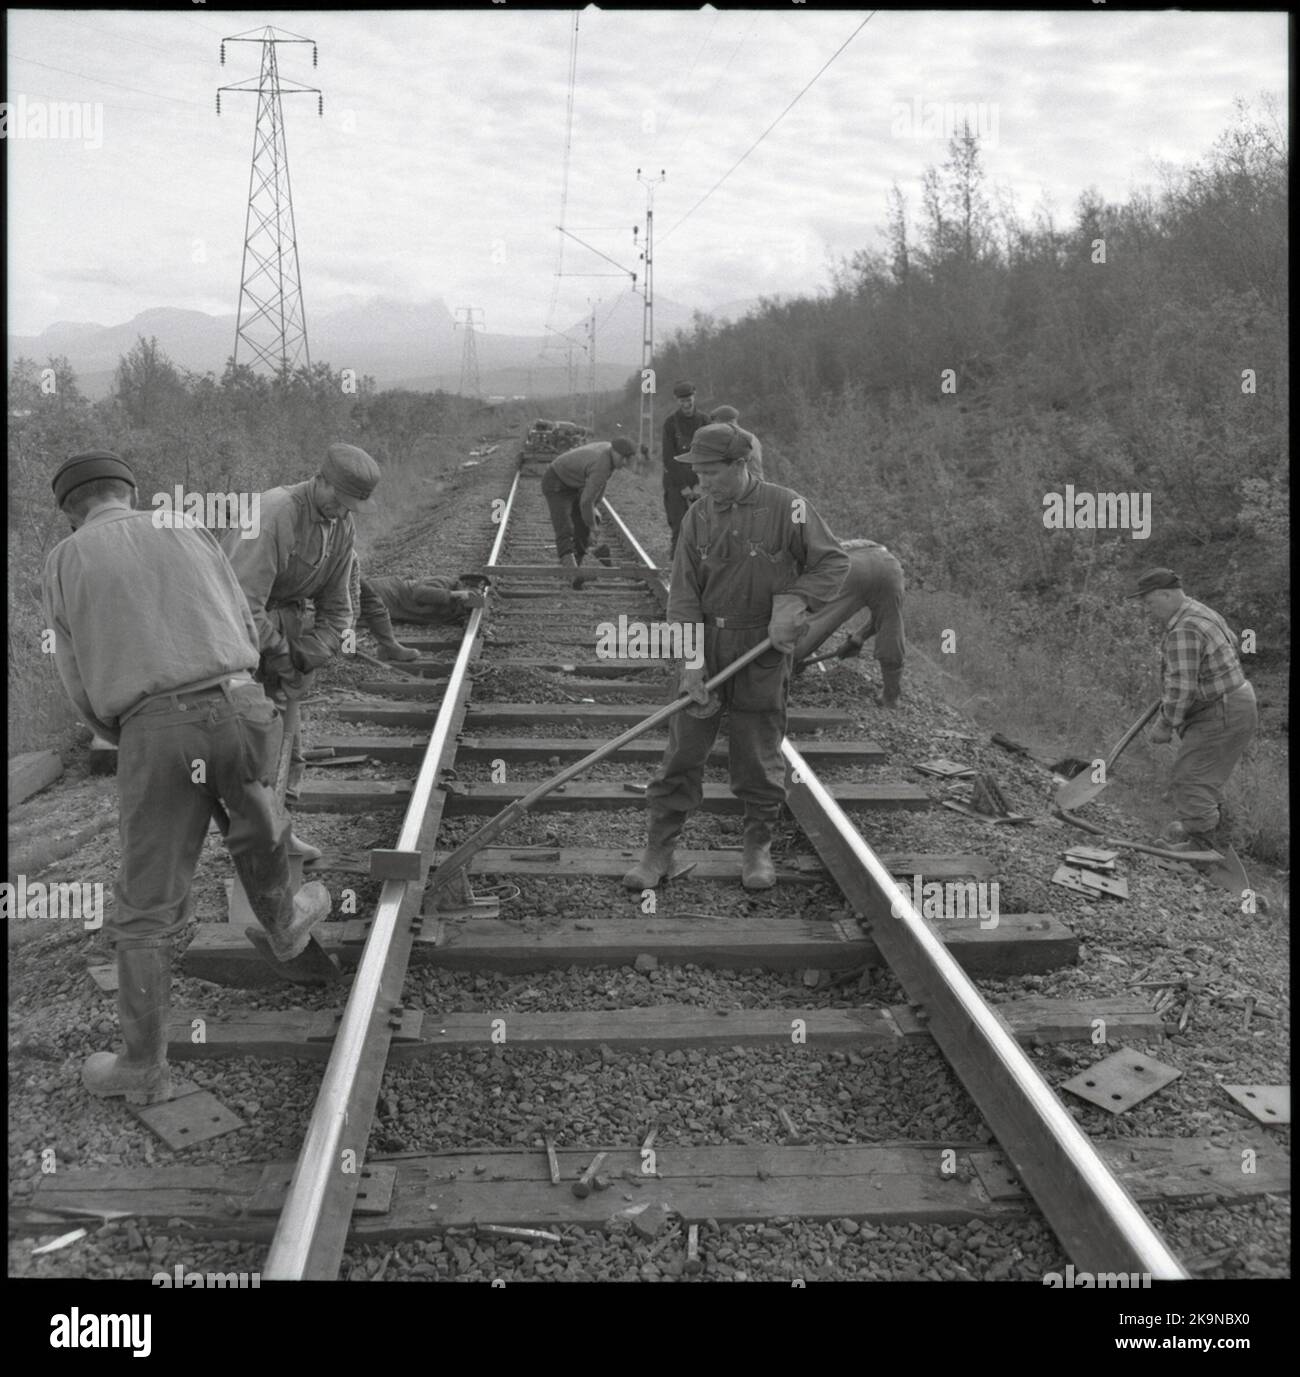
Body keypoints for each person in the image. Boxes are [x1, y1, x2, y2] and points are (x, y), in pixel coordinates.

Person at [41, 452, 332, 1105]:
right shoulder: (184, 525)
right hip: (242, 701)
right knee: (254, 821)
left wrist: (132, 732)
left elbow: (75, 676)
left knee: (146, 904)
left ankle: (142, 1068)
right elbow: (241, 617)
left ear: (70, 511)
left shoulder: (66, 560)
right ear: (132, 491)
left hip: (155, 723)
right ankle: (285, 922)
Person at [623, 423, 849, 891]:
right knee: (683, 751)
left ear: (740, 465)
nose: (702, 482)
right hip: (706, 643)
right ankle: (659, 849)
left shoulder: (788, 507)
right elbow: (683, 596)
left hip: (762, 651)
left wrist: (797, 600)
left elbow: (834, 562)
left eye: (711, 472)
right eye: (698, 472)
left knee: (757, 753)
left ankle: (757, 847)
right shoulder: (697, 517)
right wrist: (690, 661)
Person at [222, 443, 381, 862]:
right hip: (234, 641)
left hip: (284, 637)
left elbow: (339, 605)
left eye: (350, 506)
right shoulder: (275, 513)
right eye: (338, 499)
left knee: (289, 741)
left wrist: (314, 652)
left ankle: (280, 830)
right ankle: (251, 842)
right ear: (320, 479)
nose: (341, 511)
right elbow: (241, 604)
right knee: (249, 740)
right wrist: (282, 656)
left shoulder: (341, 525)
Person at [1128, 567, 1257, 852]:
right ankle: (1214, 836)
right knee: (1205, 775)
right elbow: (1233, 643)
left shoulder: (1184, 628)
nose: (1149, 609)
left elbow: (1182, 686)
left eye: (1150, 602)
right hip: (1236, 700)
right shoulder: (1200, 611)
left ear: (1166, 594)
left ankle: (1200, 849)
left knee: (1190, 775)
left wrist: (1165, 724)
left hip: (1221, 709)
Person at [792, 538, 906, 706]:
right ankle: (891, 696)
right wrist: (858, 638)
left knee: (820, 622)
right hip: (891, 568)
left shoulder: (821, 557)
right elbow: (880, 617)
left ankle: (782, 671)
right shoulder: (859, 548)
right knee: (891, 627)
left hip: (853, 566)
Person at [540, 436, 636, 588]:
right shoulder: (601, 464)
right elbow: (586, 501)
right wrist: (593, 526)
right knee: (565, 527)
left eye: (628, 459)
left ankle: (575, 568)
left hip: (572, 483)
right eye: (623, 458)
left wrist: (592, 517)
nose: (624, 463)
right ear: (615, 452)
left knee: (584, 522)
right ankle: (572, 573)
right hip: (556, 481)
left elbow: (597, 489)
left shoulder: (609, 454)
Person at [347, 558, 486, 662]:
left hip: (394, 608)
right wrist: (454, 594)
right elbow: (419, 593)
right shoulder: (445, 582)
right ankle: (347, 650)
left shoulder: (457, 605)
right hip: (388, 592)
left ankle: (383, 649)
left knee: (358, 617)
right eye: (470, 592)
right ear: (463, 585)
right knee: (347, 609)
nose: (469, 597)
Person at [662, 381, 710, 557]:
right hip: (676, 482)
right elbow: (668, 458)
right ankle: (676, 563)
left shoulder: (705, 421)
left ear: (694, 396)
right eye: (682, 401)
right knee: (678, 525)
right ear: (677, 401)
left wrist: (700, 484)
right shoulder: (670, 423)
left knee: (703, 525)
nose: (686, 404)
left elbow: (708, 455)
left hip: (701, 481)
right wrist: (683, 487)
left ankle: (698, 564)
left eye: (688, 399)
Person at [709, 405, 764, 479]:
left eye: (718, 425)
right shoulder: (747, 437)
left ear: (729, 422)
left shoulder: (744, 439)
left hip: (748, 484)